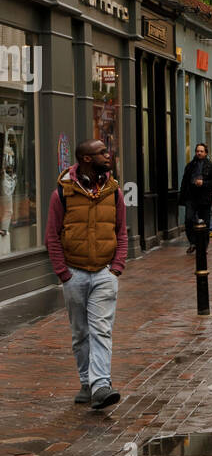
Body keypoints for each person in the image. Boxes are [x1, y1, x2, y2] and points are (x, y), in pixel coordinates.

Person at [44, 139, 127, 409]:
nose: (108, 155)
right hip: (74, 273)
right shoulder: (62, 192)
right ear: (86, 159)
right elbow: (52, 236)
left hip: (104, 272)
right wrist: (63, 273)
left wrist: (116, 268)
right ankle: (86, 383)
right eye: (102, 152)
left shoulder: (114, 191)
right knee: (80, 333)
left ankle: (101, 385)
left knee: (101, 330)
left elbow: (121, 231)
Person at [179, 143, 212, 253]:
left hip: (204, 198)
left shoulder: (211, 166)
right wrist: (183, 197)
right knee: (189, 220)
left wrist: (203, 183)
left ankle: (203, 246)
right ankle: (193, 242)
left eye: (201, 151)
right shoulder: (190, 166)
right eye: (197, 151)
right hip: (191, 197)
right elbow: (184, 181)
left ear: (206, 153)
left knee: (205, 222)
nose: (199, 153)